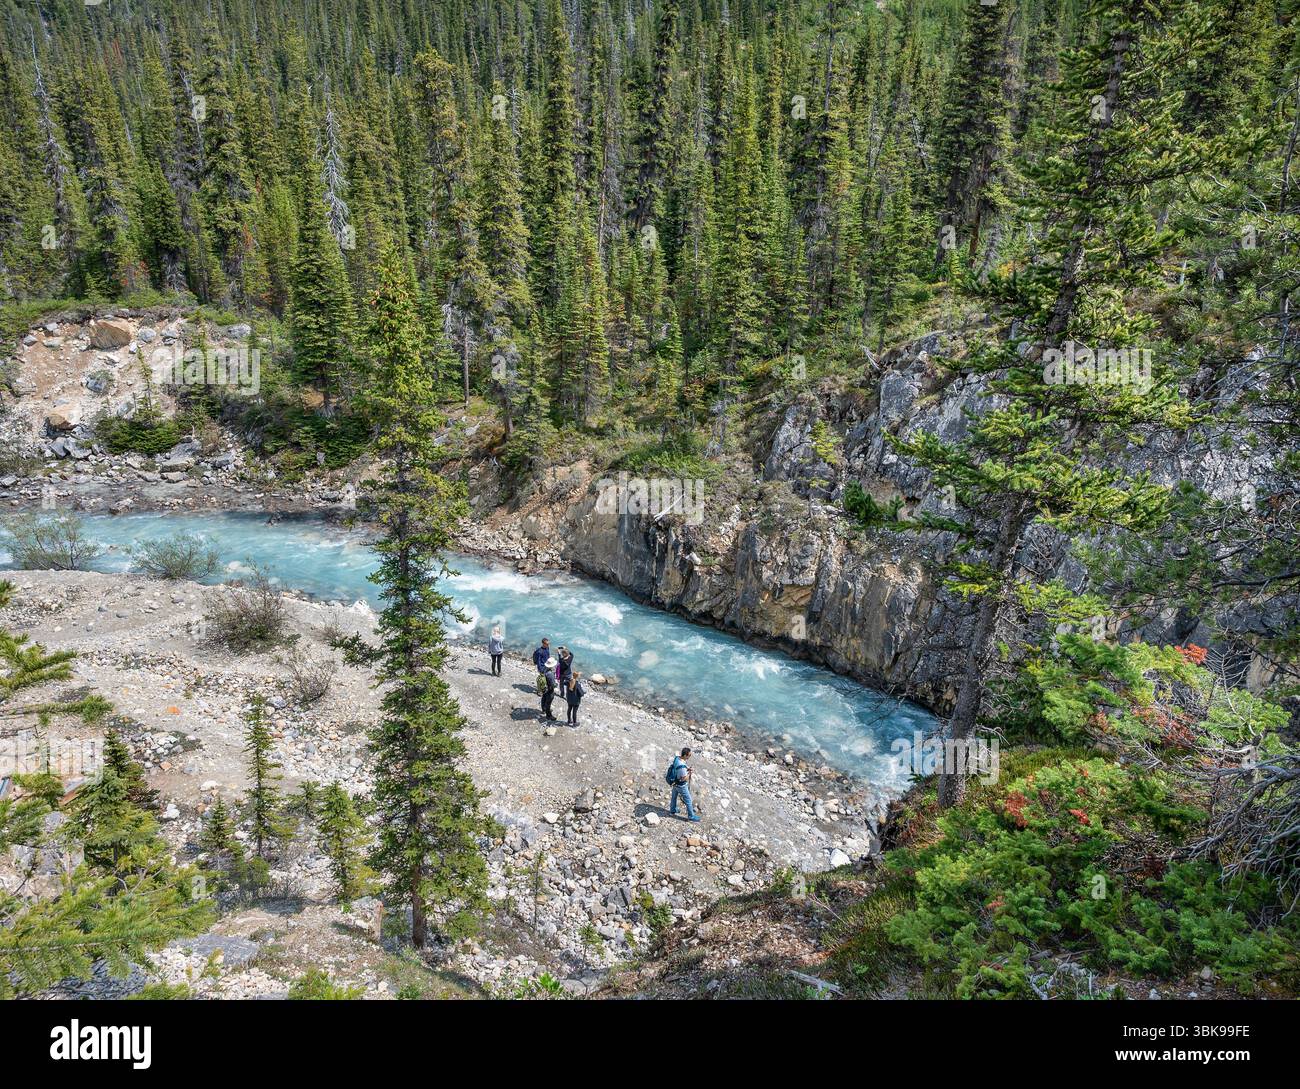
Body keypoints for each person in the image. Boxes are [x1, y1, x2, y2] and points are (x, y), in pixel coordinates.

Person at [666, 747, 700, 822]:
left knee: (674, 797)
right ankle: (691, 816)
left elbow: (678, 769)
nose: (689, 757)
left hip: (674, 782)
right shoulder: (681, 766)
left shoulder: (677, 758)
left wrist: (687, 769)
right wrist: (689, 773)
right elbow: (684, 778)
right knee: (688, 800)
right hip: (681, 785)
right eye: (689, 755)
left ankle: (673, 810)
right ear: (685, 755)